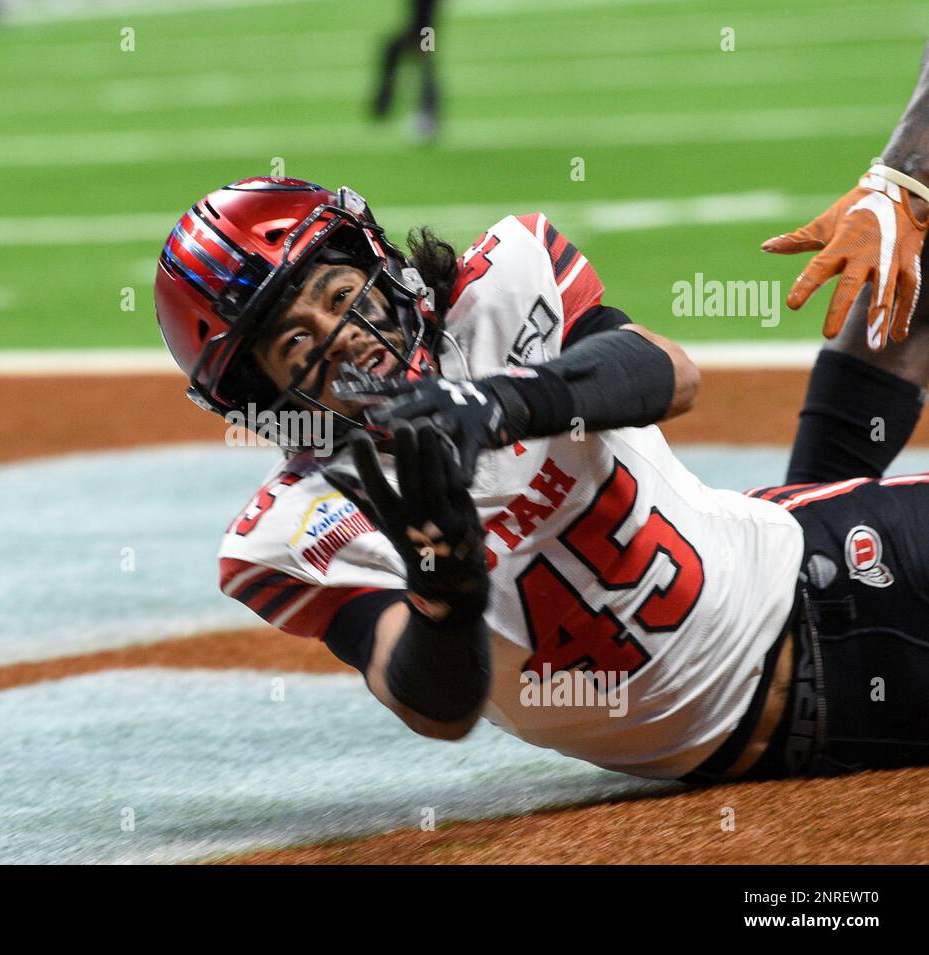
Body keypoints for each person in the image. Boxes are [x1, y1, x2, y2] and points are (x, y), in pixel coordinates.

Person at [152, 131, 929, 781]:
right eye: (293, 339)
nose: (338, 330)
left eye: (337, 289)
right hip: (785, 745)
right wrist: (444, 591)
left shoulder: (503, 287)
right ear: (265, 394)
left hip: (846, 566)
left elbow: (667, 371)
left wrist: (497, 402)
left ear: (376, 260)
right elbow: (433, 706)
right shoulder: (295, 526)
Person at [371, 0, 442, 141]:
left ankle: (428, 116)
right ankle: (383, 107)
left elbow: (425, 15)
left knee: (424, 67)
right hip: (422, 30)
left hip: (425, 31)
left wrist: (425, 41)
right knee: (394, 51)